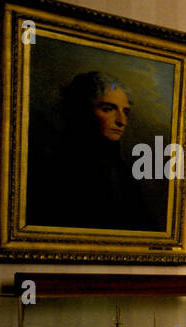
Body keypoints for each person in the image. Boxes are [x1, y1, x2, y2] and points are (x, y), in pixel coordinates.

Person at [24, 71, 165, 231]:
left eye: (125, 112)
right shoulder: (55, 165)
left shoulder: (119, 168)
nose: (122, 121)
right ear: (81, 110)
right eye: (108, 109)